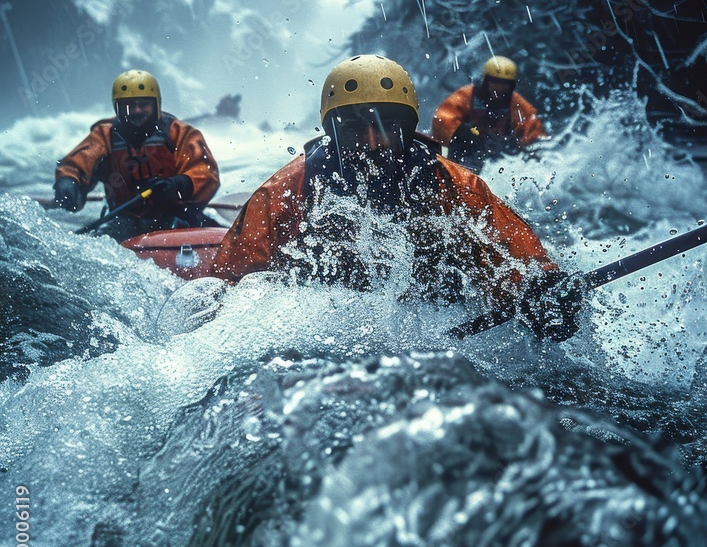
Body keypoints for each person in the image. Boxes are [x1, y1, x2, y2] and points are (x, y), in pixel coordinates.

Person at [210, 55, 581, 341]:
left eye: (388, 127)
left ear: (408, 129)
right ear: (331, 135)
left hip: (436, 325)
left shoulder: (454, 186)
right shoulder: (288, 191)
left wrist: (540, 292)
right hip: (326, 335)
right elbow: (232, 285)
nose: (373, 144)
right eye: (355, 130)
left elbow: (517, 260)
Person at [54, 69, 220, 240]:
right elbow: (79, 161)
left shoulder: (178, 133)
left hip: (177, 214)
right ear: (117, 108)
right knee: (107, 234)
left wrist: (177, 185)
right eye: (128, 106)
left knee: (216, 233)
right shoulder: (105, 135)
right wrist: (68, 180)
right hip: (126, 219)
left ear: (156, 105)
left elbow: (205, 172)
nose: (136, 111)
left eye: (143, 104)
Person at [432, 56, 546, 170]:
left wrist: (533, 155)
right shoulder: (467, 95)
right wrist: (461, 132)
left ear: (511, 86)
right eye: (495, 82)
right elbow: (444, 119)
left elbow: (532, 132)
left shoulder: (517, 105)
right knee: (465, 139)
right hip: (467, 147)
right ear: (486, 80)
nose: (499, 87)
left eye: (504, 83)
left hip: (498, 153)